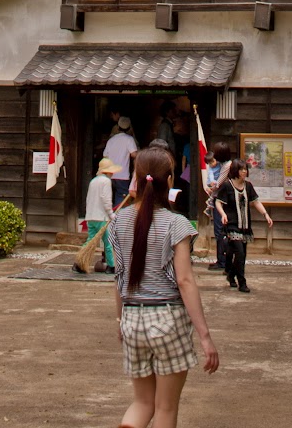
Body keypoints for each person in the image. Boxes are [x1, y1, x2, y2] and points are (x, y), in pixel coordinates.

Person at [107, 145, 218, 428]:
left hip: (132, 318)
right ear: (169, 181)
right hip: (167, 319)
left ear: (137, 178)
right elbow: (184, 280)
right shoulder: (176, 223)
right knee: (165, 408)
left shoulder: (118, 221)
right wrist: (205, 336)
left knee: (142, 403)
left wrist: (120, 320)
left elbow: (119, 275)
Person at [214, 160, 273, 294]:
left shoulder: (248, 186)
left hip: (245, 226)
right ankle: (242, 282)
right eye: (241, 170)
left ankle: (231, 274)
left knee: (242, 255)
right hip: (232, 225)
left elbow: (256, 201)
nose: (244, 172)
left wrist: (265, 215)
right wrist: (223, 214)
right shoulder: (227, 186)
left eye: (245, 169)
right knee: (239, 253)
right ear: (235, 171)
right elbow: (218, 202)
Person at [83, 158, 118, 271]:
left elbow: (88, 199)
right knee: (108, 242)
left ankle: (79, 262)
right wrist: (111, 214)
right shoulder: (106, 181)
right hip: (101, 216)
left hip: (91, 216)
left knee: (90, 242)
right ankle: (111, 265)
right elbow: (106, 199)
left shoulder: (93, 181)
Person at [204, 142, 233, 271]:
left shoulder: (227, 165)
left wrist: (211, 187)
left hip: (221, 200)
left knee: (220, 230)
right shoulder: (223, 164)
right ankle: (222, 260)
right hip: (222, 199)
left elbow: (219, 182)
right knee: (221, 230)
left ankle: (222, 261)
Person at [103, 115, 138, 209]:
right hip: (122, 175)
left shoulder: (111, 140)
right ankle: (117, 218)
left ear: (118, 127)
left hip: (110, 174)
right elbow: (134, 154)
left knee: (109, 197)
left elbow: (105, 155)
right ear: (129, 127)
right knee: (121, 198)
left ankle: (109, 217)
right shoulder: (129, 139)